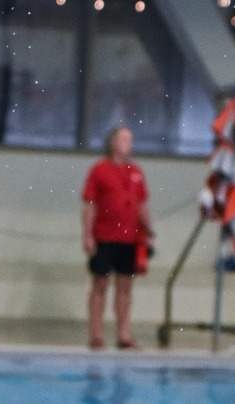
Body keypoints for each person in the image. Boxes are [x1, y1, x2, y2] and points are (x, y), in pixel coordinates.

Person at [82, 125, 152, 350]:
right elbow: (89, 204)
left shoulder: (136, 172)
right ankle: (96, 334)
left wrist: (148, 232)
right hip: (105, 236)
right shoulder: (99, 170)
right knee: (100, 284)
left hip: (130, 238)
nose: (128, 144)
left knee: (125, 287)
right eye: (123, 139)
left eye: (130, 140)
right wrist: (87, 234)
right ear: (112, 142)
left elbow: (142, 205)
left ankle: (123, 334)